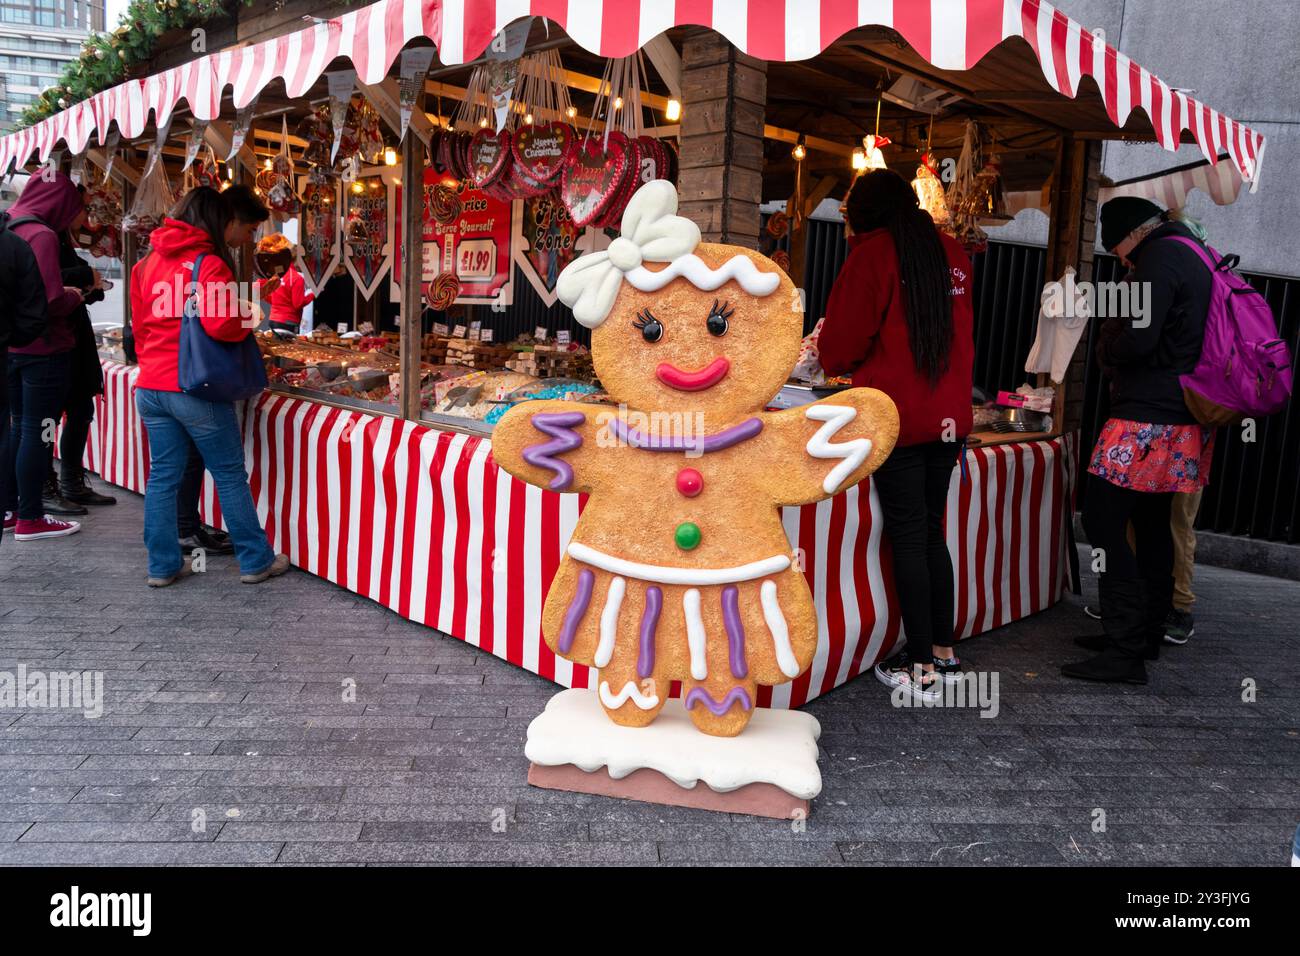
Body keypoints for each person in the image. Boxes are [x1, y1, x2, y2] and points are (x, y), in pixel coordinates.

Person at [818, 169, 975, 702]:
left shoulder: (872, 255)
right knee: (931, 531)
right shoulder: (952, 252)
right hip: (948, 417)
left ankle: (922, 667)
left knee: (908, 534)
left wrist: (838, 362)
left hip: (897, 418)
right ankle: (945, 658)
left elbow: (838, 347)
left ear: (864, 214)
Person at [1064, 197, 1215, 684]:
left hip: (1145, 418)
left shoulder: (1159, 257)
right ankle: (1143, 634)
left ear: (1133, 235)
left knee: (1105, 521)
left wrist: (1107, 347)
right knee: (1151, 526)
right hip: (1182, 417)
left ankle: (1124, 649)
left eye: (1119, 251)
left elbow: (1140, 340)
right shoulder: (1193, 252)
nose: (1123, 261)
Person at [129, 185, 287, 587]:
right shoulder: (209, 263)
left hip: (151, 386)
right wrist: (250, 314)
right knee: (230, 474)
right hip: (195, 388)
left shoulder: (145, 265)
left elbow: (140, 330)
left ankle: (162, 567)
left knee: (162, 476)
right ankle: (255, 560)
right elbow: (222, 325)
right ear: (217, 220)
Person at [3, 171, 86, 541]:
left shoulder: (10, 228)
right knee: (40, 432)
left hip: (12, 349)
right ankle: (32, 517)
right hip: (45, 351)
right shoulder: (42, 236)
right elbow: (50, 300)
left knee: (18, 428)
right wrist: (75, 294)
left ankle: (10, 509)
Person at [49, 218, 116, 508]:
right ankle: (46, 487)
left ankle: (68, 481)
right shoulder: (44, 238)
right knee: (45, 418)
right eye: (80, 207)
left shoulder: (60, 239)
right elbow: (47, 282)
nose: (84, 216)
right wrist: (83, 274)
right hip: (53, 344)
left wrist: (89, 284)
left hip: (71, 342)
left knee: (80, 410)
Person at [0, 201, 51, 544]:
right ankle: (25, 513)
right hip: (19, 356)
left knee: (22, 427)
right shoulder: (18, 245)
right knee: (30, 427)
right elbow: (35, 313)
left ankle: (13, 510)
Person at [254, 233, 314, 334]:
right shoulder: (296, 278)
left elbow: (267, 296)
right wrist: (313, 294)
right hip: (289, 322)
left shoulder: (276, 276)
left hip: (273, 319)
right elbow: (297, 304)